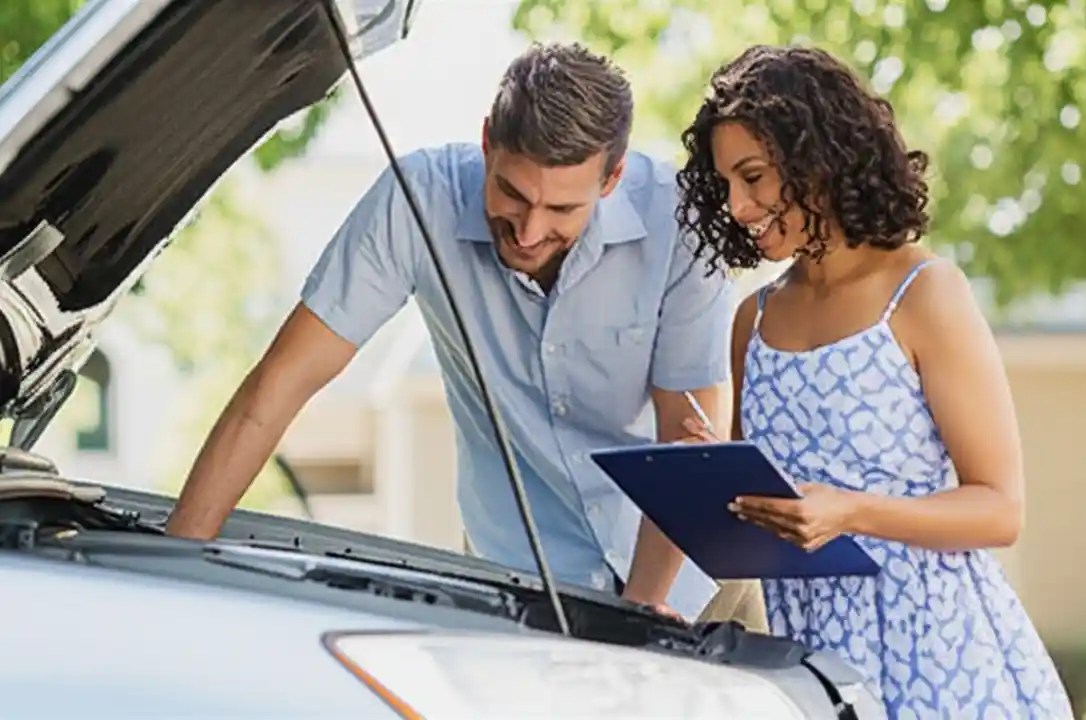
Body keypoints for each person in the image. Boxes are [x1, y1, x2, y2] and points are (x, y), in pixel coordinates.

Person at [163, 42, 766, 630]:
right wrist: (174, 575)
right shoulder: (418, 202)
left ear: (611, 179)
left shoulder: (678, 225)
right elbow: (277, 388)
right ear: (486, 144)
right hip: (525, 593)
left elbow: (686, 449)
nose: (529, 232)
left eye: (561, 211)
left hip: (688, 587)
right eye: (511, 193)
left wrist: (636, 624)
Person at [674, 45, 1074, 717]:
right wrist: (713, 480)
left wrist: (851, 512)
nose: (739, 206)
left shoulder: (924, 293)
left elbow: (1000, 509)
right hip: (809, 664)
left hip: (937, 652)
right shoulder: (755, 317)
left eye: (753, 176)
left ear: (817, 160)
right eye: (727, 186)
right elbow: (774, 516)